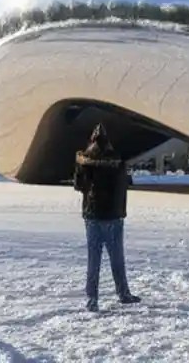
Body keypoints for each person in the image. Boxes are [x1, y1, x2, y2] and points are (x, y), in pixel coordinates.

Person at [73, 124, 140, 313]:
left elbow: (79, 185)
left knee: (93, 260)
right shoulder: (118, 161)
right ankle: (123, 293)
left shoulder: (86, 163)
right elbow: (127, 183)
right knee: (117, 258)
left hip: (93, 215)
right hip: (114, 216)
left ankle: (92, 299)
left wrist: (80, 164)